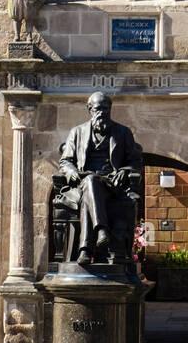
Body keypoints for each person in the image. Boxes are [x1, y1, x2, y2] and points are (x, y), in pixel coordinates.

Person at [57, 92, 142, 266]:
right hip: (82, 182)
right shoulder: (77, 132)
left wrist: (125, 170)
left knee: (92, 184)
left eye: (105, 108)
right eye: (98, 109)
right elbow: (65, 161)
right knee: (90, 182)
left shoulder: (123, 133)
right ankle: (101, 231)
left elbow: (135, 161)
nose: (102, 112)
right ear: (90, 109)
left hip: (112, 185)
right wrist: (72, 172)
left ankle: (86, 249)